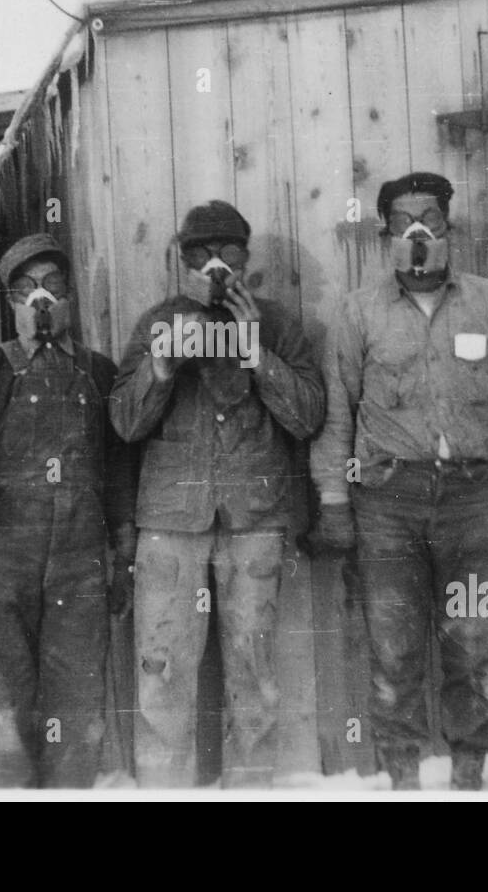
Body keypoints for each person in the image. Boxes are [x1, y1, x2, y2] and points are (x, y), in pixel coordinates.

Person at [309, 172, 488, 790]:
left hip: (472, 500)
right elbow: (336, 418)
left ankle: (471, 774)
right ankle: (405, 779)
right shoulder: (358, 313)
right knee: (394, 649)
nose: (419, 234)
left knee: (474, 646)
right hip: (387, 504)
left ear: (449, 229)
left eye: (433, 222)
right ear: (386, 234)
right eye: (404, 223)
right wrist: (335, 502)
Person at [109, 200, 325, 788]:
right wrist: (161, 366)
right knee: (162, 673)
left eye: (227, 253)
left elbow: (308, 417)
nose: (214, 268)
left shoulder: (276, 324)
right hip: (171, 522)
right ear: (181, 263)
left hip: (254, 519)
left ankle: (251, 789)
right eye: (198, 256)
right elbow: (124, 424)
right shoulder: (158, 323)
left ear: (246, 260)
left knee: (253, 676)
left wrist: (256, 352)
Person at [0, 233, 137, 788]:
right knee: (5, 707)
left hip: (78, 564)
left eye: (52, 286)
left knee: (78, 706)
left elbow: (118, 469)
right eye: (26, 290)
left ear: (70, 298)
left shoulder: (99, 373)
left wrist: (127, 549)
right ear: (10, 303)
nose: (41, 300)